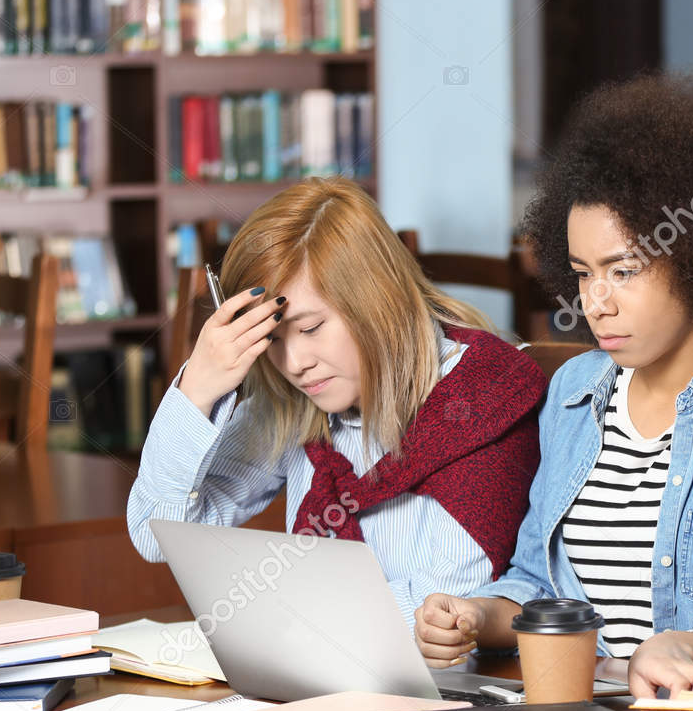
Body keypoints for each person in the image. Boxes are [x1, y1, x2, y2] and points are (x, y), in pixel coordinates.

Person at [412, 70, 693, 698]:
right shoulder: (575, 391)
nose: (594, 302)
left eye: (623, 271)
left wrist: (682, 647)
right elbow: (537, 585)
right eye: (581, 273)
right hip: (573, 705)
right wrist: (475, 616)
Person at [126, 178, 548, 625]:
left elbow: (440, 614)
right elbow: (158, 536)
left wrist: (277, 619)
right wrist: (196, 390)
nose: (294, 362)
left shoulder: (484, 400)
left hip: (443, 689)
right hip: (316, 672)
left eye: (310, 329)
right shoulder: (298, 402)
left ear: (377, 301)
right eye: (272, 338)